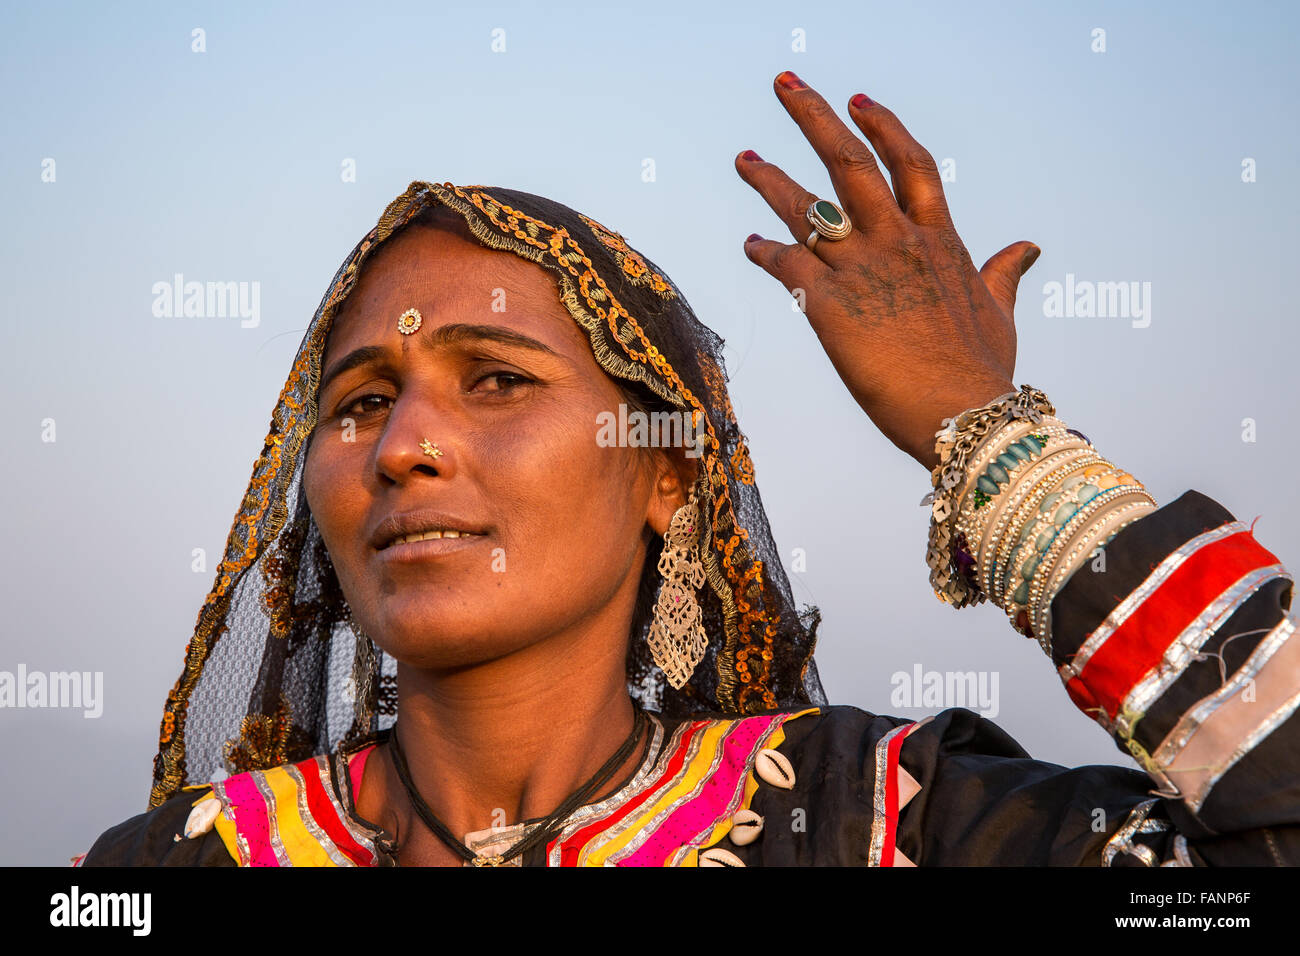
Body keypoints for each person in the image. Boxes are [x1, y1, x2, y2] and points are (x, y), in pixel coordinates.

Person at [77, 72, 1297, 866]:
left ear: (667, 472)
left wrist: (987, 436)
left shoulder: (890, 823)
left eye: (497, 378)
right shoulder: (155, 867)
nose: (406, 446)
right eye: (360, 404)